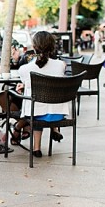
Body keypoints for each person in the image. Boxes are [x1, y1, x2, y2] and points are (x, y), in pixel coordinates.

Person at [11, 30, 69, 158]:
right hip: (57, 114)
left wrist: (24, 86)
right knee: (42, 107)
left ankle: (36, 148)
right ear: (52, 46)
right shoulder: (61, 65)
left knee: (37, 108)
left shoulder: (25, 69)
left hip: (35, 114)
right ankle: (53, 130)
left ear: (34, 47)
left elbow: (31, 80)